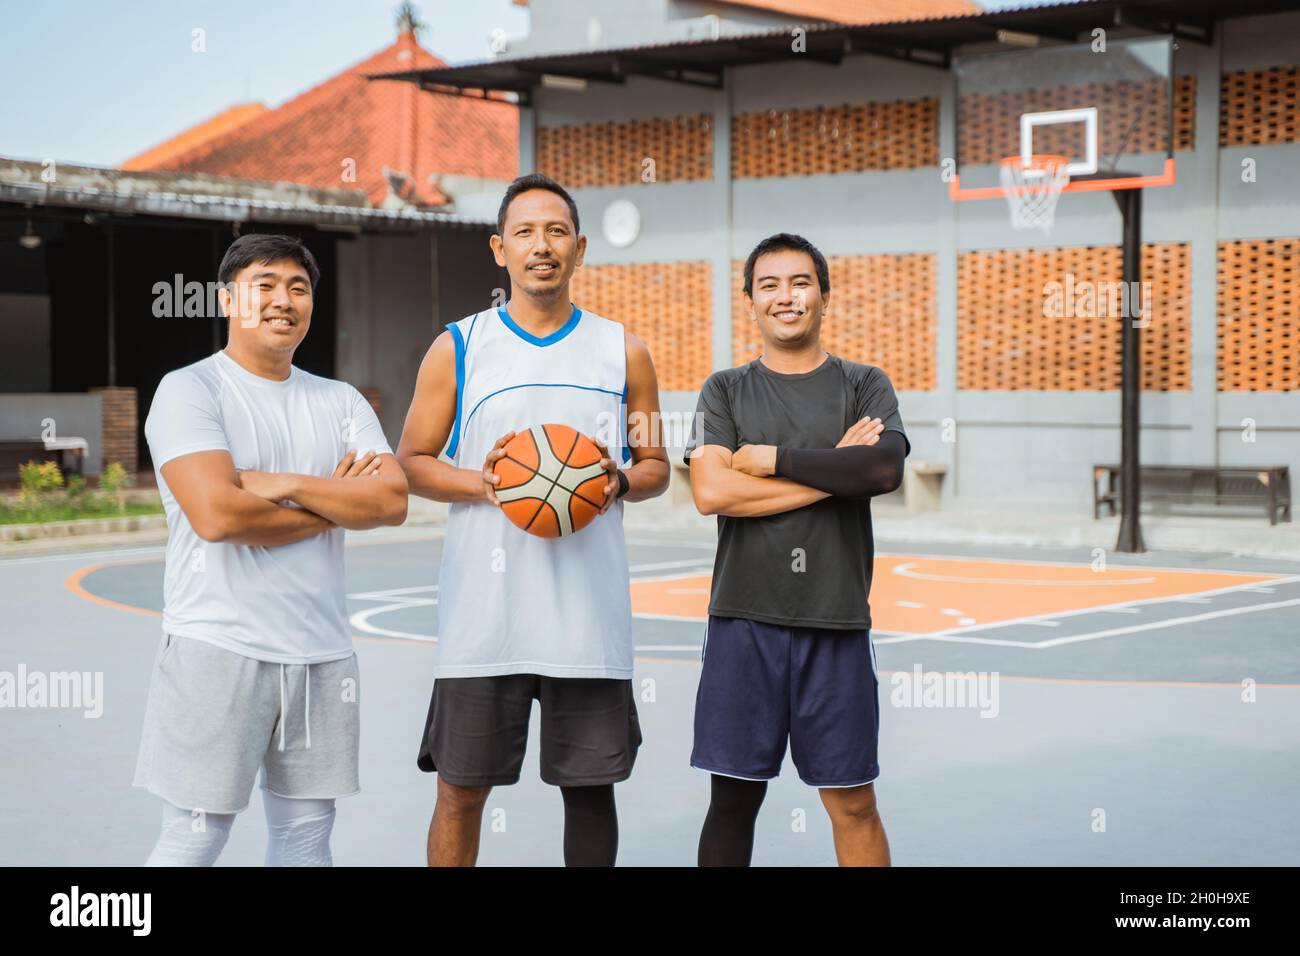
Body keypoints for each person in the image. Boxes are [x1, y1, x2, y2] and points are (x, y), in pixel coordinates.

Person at [397, 174, 670, 867]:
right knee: (461, 792)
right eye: (524, 232)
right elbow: (412, 462)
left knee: (591, 792)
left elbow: (657, 465)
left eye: (556, 232)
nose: (541, 246)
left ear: (579, 247)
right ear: (500, 249)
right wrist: (486, 485)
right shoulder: (458, 346)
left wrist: (617, 481)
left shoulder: (625, 351)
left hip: (588, 616)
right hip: (484, 619)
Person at [135, 232, 408, 866]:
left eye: (299, 287)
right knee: (196, 834)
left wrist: (285, 485)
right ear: (228, 299)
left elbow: (391, 502)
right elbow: (218, 516)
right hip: (218, 645)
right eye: (265, 285)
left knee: (306, 837)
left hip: (321, 653)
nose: (284, 300)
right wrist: (336, 504)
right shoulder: (190, 390)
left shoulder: (340, 400)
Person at [684, 232, 909, 867]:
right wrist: (834, 469)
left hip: (834, 621)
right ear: (750, 301)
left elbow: (882, 471)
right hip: (743, 622)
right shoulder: (725, 389)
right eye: (770, 285)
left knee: (854, 803)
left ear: (824, 296)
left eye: (801, 282)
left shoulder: (864, 383)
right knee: (732, 801)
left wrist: (772, 460)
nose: (786, 297)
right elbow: (711, 492)